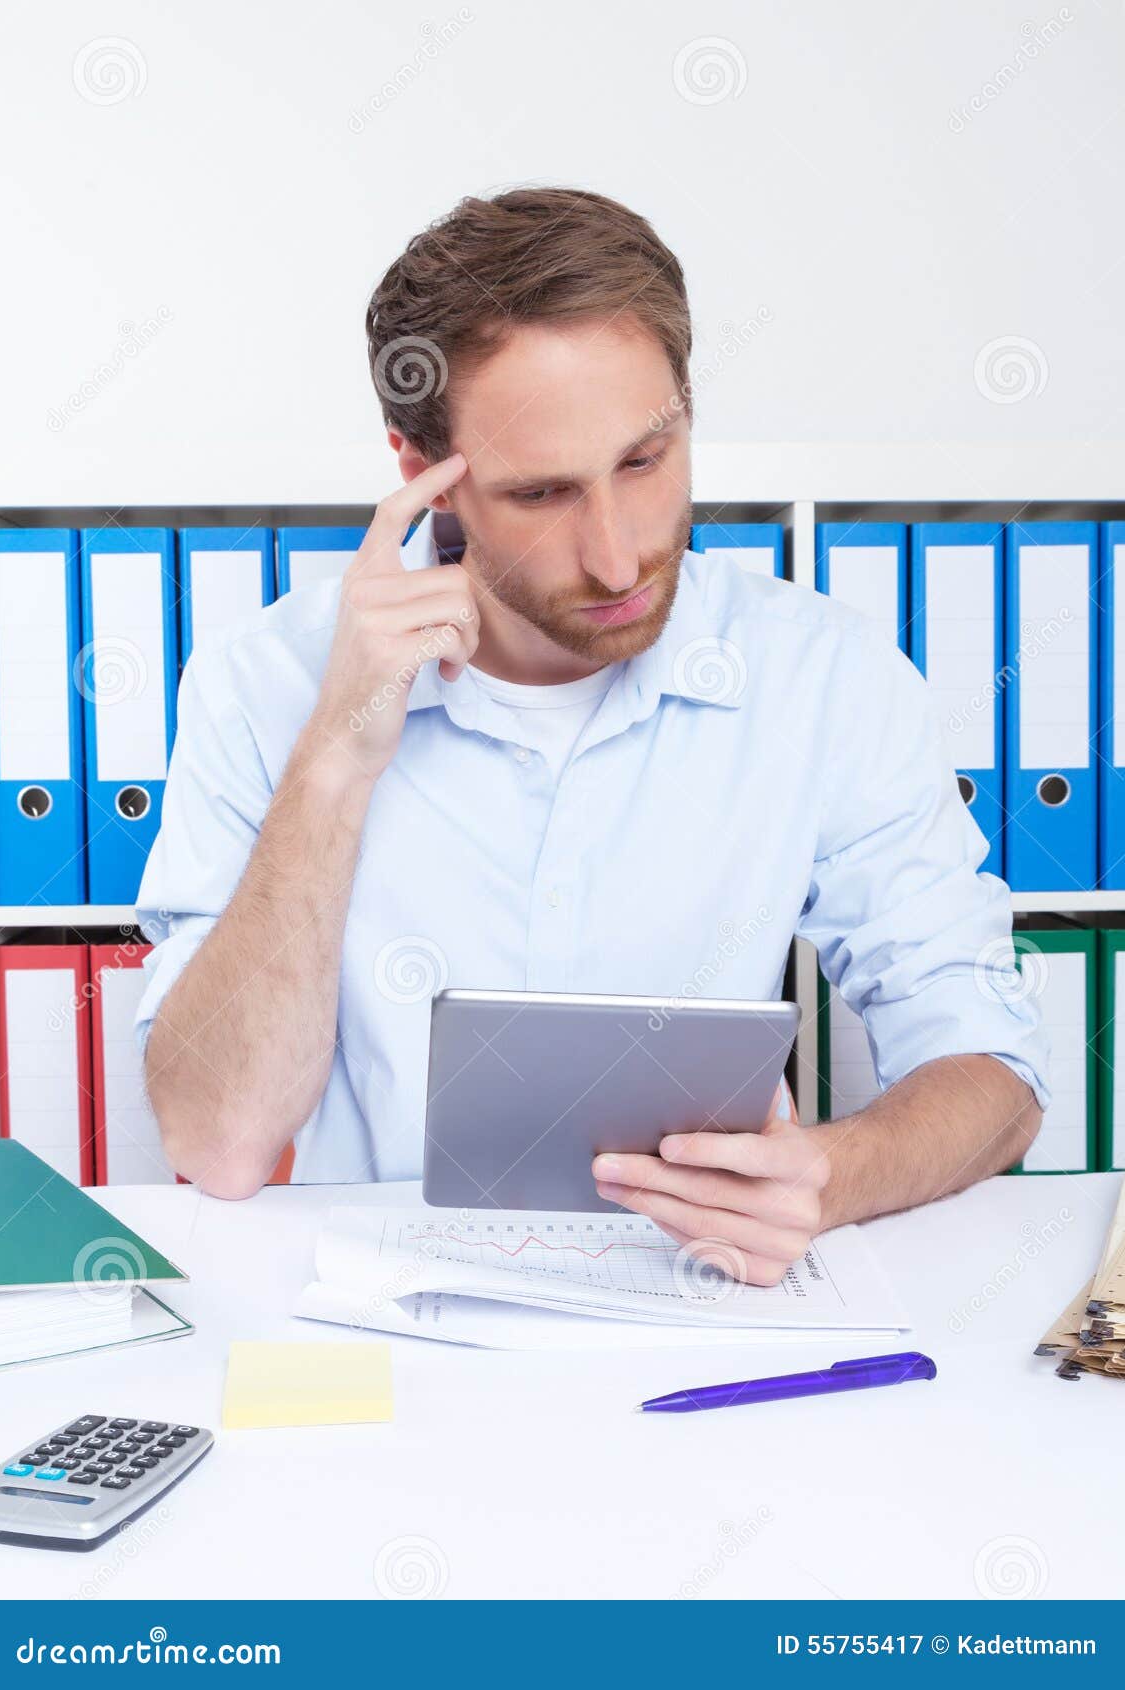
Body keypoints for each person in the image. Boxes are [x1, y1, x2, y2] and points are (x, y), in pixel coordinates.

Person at [135, 186, 1048, 1285]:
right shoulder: (261, 686)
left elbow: (994, 1071)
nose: (618, 559)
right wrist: (335, 760)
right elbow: (218, 1143)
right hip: (391, 1342)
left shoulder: (827, 680)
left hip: (711, 1319)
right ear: (421, 470)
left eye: (645, 461)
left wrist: (834, 1173)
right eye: (543, 492)